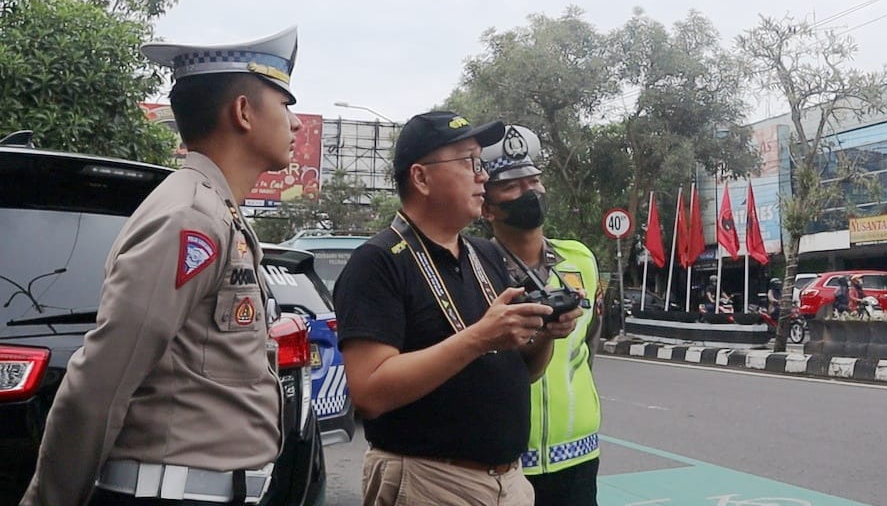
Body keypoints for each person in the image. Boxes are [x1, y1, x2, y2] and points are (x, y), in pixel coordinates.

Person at [22, 27, 303, 506]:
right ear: (243, 112)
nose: (296, 124)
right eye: (284, 104)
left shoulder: (216, 211)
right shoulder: (189, 217)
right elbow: (102, 380)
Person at [332, 111, 582, 506]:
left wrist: (542, 336)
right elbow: (369, 392)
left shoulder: (485, 254)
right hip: (427, 480)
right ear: (421, 178)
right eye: (468, 162)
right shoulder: (378, 262)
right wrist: (479, 338)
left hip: (509, 482)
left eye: (479, 163)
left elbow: (524, 372)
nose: (482, 175)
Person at [479, 125, 602, 506]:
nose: (529, 192)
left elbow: (589, 346)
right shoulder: (476, 267)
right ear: (486, 207)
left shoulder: (580, 259)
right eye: (512, 187)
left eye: (533, 180)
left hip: (579, 453)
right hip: (506, 463)